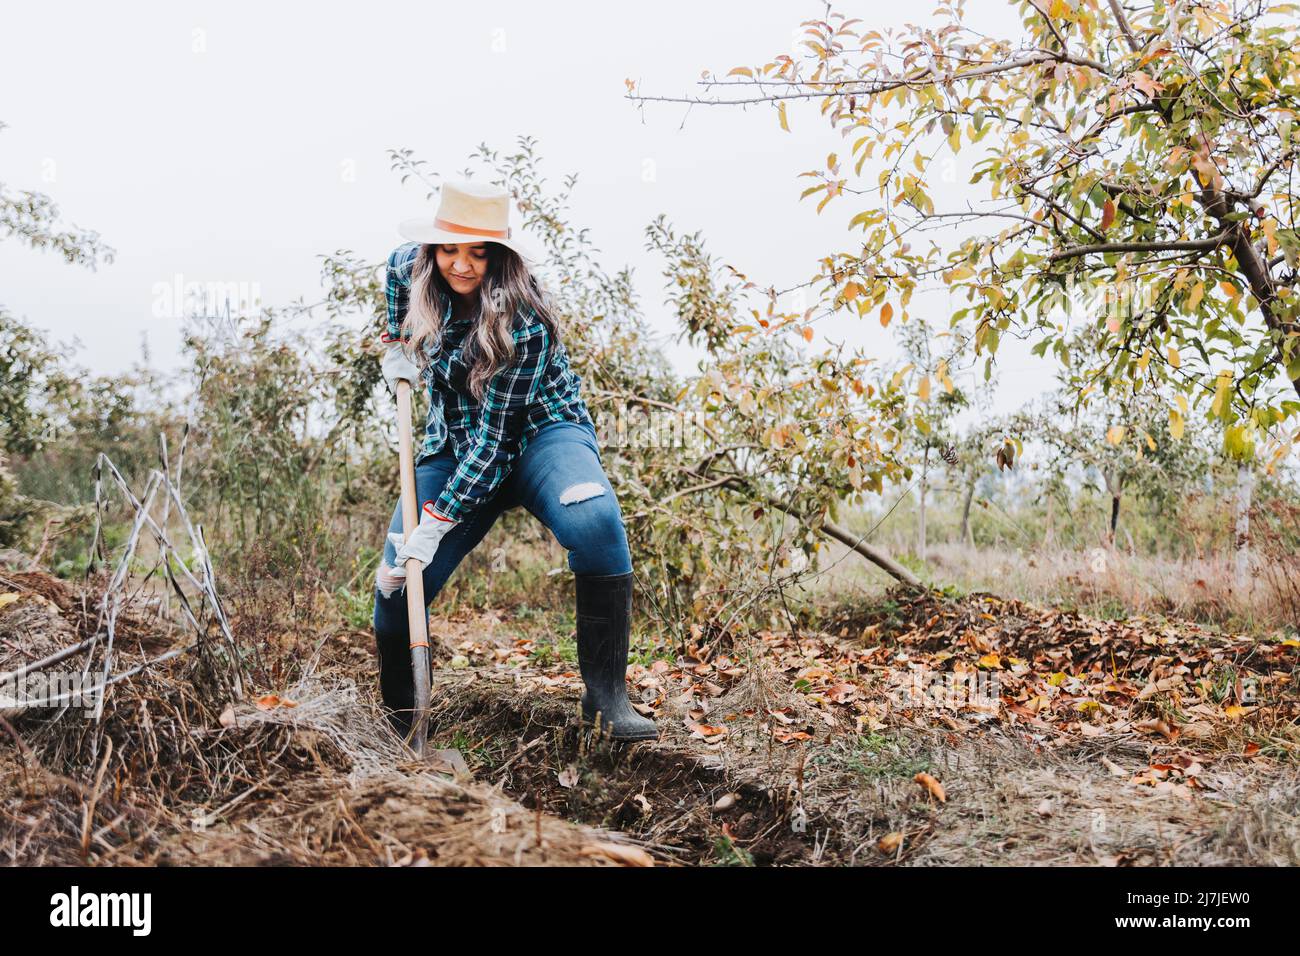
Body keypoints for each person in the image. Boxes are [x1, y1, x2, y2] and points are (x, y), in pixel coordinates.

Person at [372, 179, 658, 742]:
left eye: (478, 253)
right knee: (399, 581)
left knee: (594, 520)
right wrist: (398, 350)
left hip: (538, 434)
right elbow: (396, 320)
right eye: (450, 249)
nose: (461, 265)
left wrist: (439, 518)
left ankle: (607, 701)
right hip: (453, 439)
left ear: (499, 255)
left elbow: (498, 442)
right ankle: (404, 731)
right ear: (432, 248)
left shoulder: (523, 316)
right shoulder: (406, 268)